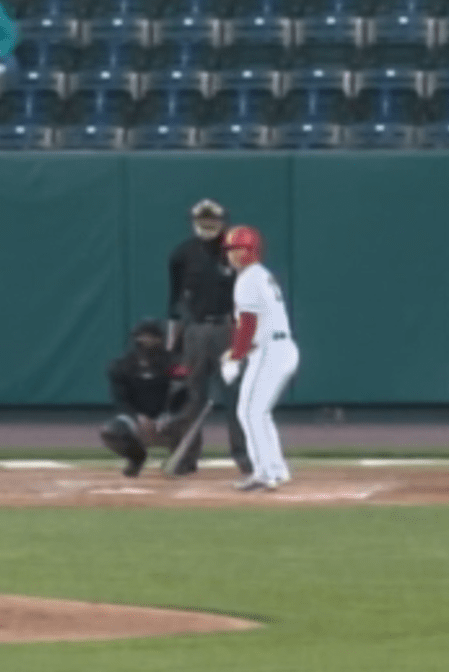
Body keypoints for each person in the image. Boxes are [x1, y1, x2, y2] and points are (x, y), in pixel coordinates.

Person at [160, 199, 252, 478]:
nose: (208, 226)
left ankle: (246, 458)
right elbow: (174, 302)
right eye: (203, 221)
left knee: (238, 398)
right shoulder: (182, 254)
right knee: (191, 397)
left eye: (213, 221)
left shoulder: (235, 254)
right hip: (196, 330)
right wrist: (172, 343)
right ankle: (185, 457)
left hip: (229, 328)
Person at [219, 225, 300, 492]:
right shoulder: (260, 276)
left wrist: (235, 357)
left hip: (271, 351)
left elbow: (248, 324)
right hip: (276, 348)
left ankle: (265, 473)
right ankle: (275, 468)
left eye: (237, 248)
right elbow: (252, 326)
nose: (232, 254)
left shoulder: (248, 279)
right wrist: (237, 353)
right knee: (258, 413)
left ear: (250, 249)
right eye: (230, 249)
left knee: (251, 412)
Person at [100, 320, 190, 477]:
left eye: (151, 337)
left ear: (159, 339)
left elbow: (182, 395)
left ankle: (182, 462)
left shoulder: (171, 364)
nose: (146, 342)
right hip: (137, 417)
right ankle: (137, 458)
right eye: (143, 337)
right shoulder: (122, 366)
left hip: (166, 417)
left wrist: (166, 416)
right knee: (110, 430)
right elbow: (120, 400)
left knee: (188, 422)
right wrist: (137, 417)